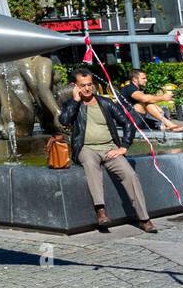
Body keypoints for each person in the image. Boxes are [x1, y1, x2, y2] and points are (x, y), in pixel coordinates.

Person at [58, 66, 156, 233]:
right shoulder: (71, 104)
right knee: (90, 165)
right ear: (75, 86)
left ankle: (144, 218)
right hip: (86, 148)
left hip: (110, 148)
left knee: (130, 175)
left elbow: (127, 123)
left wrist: (124, 147)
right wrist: (75, 101)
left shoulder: (105, 103)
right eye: (82, 85)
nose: (87, 88)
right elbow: (64, 120)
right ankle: (101, 211)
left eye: (90, 84)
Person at [119, 68, 183, 132]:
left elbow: (150, 101)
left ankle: (166, 123)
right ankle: (168, 124)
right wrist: (163, 98)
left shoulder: (137, 89)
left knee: (151, 105)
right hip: (126, 121)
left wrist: (160, 111)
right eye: (143, 78)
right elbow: (144, 99)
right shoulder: (129, 88)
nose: (146, 80)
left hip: (135, 118)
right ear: (135, 79)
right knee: (145, 101)